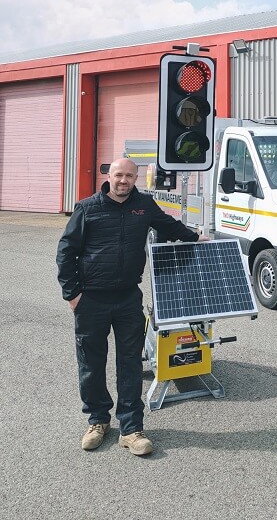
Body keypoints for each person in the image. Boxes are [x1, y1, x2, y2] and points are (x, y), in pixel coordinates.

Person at [56, 157, 199, 456]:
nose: (123, 181)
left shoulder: (144, 206)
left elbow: (170, 227)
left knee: (130, 364)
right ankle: (97, 420)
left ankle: (131, 428)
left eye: (129, 176)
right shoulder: (87, 208)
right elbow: (66, 253)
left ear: (136, 178)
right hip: (91, 299)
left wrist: (196, 237)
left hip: (127, 299)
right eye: (119, 175)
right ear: (109, 175)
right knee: (91, 363)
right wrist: (73, 295)